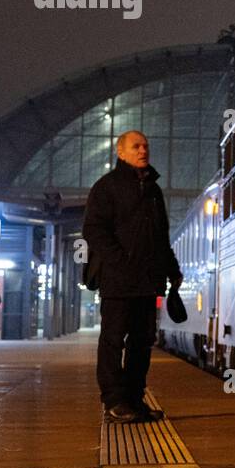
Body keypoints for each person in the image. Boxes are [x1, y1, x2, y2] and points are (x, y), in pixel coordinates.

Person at [82, 130, 182, 424]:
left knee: (142, 341)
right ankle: (113, 401)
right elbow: (94, 229)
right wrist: (121, 261)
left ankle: (134, 399)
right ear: (121, 152)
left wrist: (172, 270)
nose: (143, 151)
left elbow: (161, 236)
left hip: (149, 282)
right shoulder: (107, 187)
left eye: (146, 146)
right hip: (118, 281)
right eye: (136, 146)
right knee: (113, 340)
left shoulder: (153, 190)